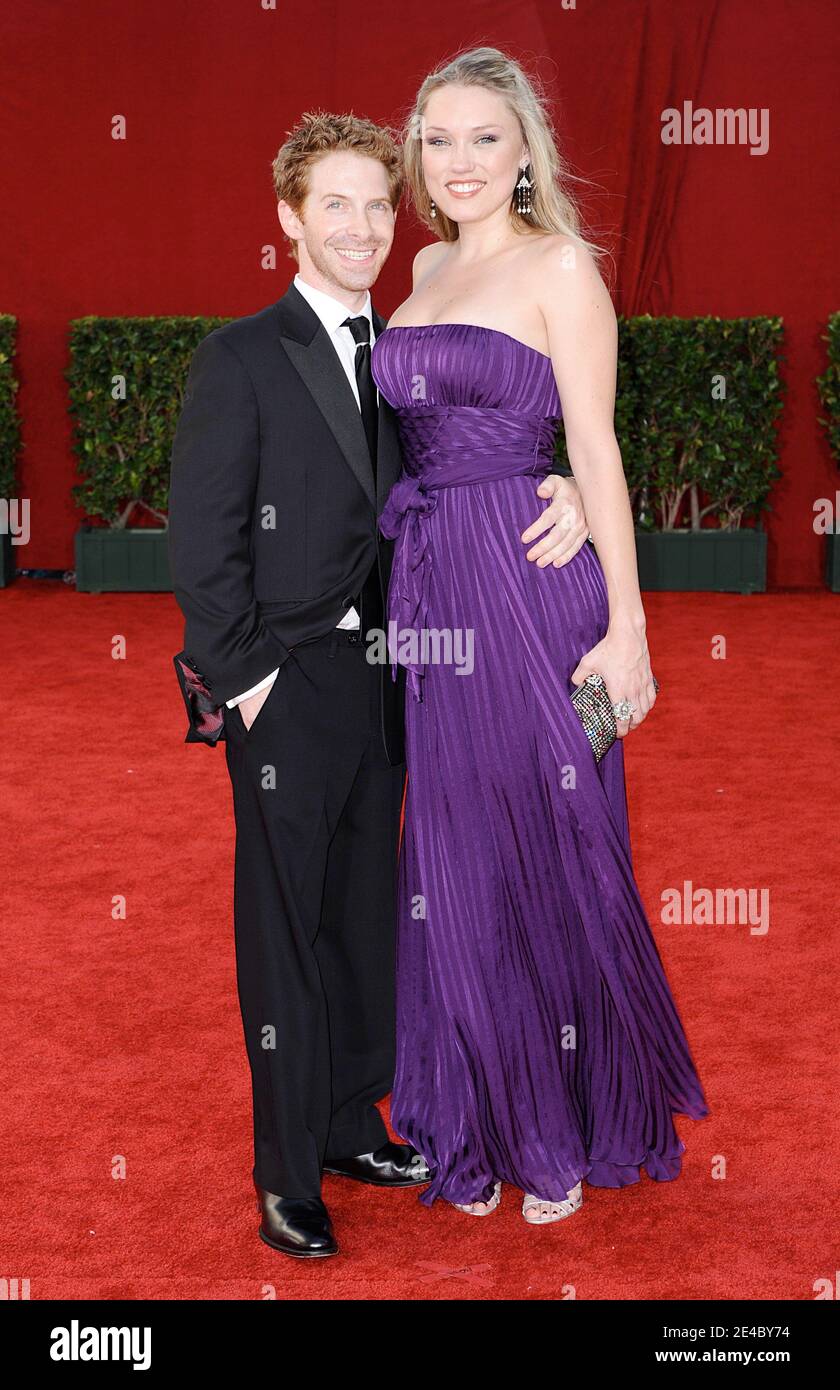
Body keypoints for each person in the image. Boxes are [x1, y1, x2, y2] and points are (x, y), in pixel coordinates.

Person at [167, 110, 590, 1256]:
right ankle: (287, 1166)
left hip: (399, 672)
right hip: (286, 685)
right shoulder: (243, 355)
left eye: (373, 203)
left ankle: (356, 1120)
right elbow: (200, 545)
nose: (360, 226)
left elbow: (478, 458)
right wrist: (245, 680)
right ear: (290, 222)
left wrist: (572, 490)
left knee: (368, 912)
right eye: (333, 206)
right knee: (286, 926)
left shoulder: (403, 343)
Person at [373, 47, 710, 1224]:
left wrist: (630, 629)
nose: (457, 160)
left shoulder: (562, 263)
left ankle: (561, 1124)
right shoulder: (413, 268)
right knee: (452, 860)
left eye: (483, 138)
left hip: (528, 588)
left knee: (546, 846)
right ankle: (474, 1119)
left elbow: (599, 446)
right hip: (429, 607)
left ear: (526, 155)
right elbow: (402, 447)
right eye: (438, 137)